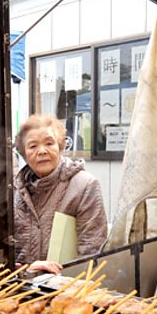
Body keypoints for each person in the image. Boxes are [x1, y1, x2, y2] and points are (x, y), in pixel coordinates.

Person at [13, 114, 107, 274]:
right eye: (33, 146)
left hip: (66, 286)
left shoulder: (84, 185)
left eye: (49, 143)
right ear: (23, 153)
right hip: (21, 285)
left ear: (60, 147)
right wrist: (25, 271)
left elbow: (92, 249)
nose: (42, 151)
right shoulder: (15, 189)